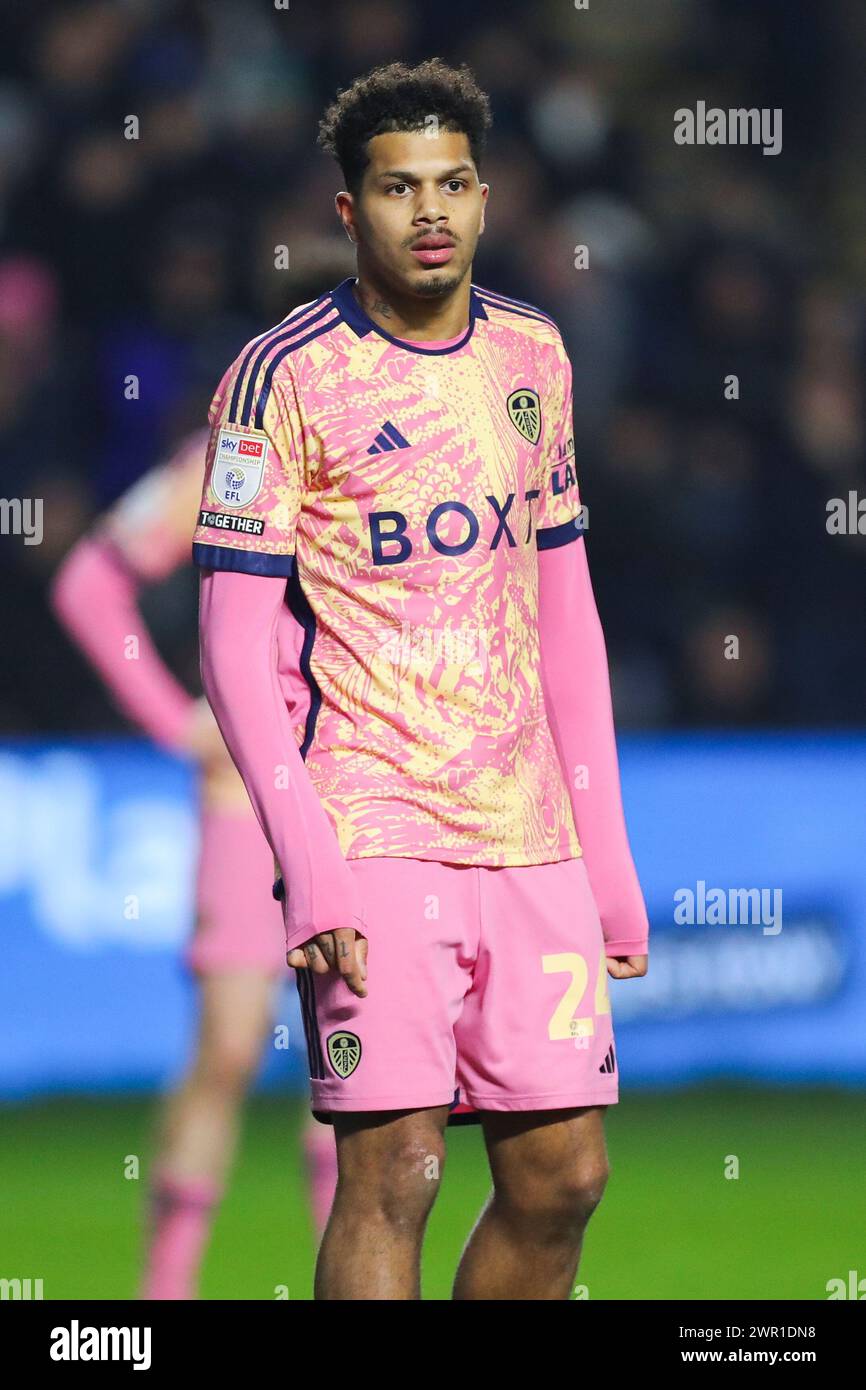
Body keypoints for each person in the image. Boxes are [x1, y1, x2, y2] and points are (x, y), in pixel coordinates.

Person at [193, 58, 649, 1301]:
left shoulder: (533, 355)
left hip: (526, 833)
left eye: (452, 183)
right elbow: (232, 647)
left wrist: (602, 850)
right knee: (393, 1168)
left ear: (486, 199)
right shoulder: (280, 376)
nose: (429, 210)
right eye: (399, 188)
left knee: (563, 1176)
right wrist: (309, 863)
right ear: (351, 210)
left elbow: (566, 615)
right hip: (370, 819)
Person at [50, 428, 339, 1300]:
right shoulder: (237, 452)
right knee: (230, 1045)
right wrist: (176, 721)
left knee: (360, 1055)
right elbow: (90, 583)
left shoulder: (407, 434)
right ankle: (162, 1296)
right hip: (246, 790)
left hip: (366, 782)